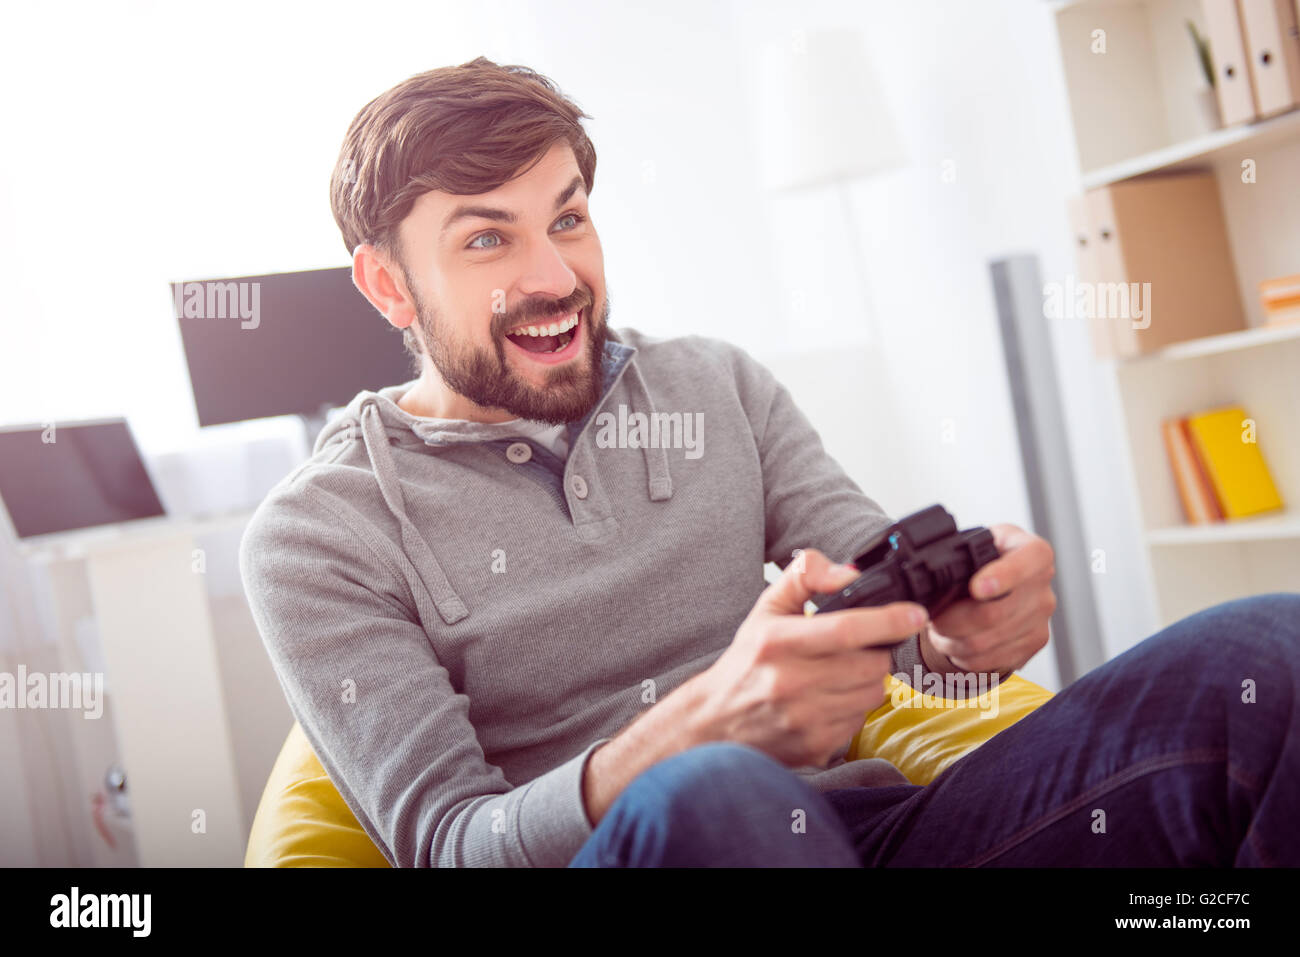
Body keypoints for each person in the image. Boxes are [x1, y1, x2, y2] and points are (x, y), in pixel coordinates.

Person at [238, 57, 1299, 868]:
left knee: (1267, 649)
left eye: (568, 216)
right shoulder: (316, 535)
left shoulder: (714, 385)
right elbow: (452, 846)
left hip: (867, 831)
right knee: (713, 794)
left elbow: (899, 626)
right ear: (387, 287)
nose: (556, 274)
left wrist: (965, 625)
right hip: (676, 845)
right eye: (487, 240)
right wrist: (693, 732)